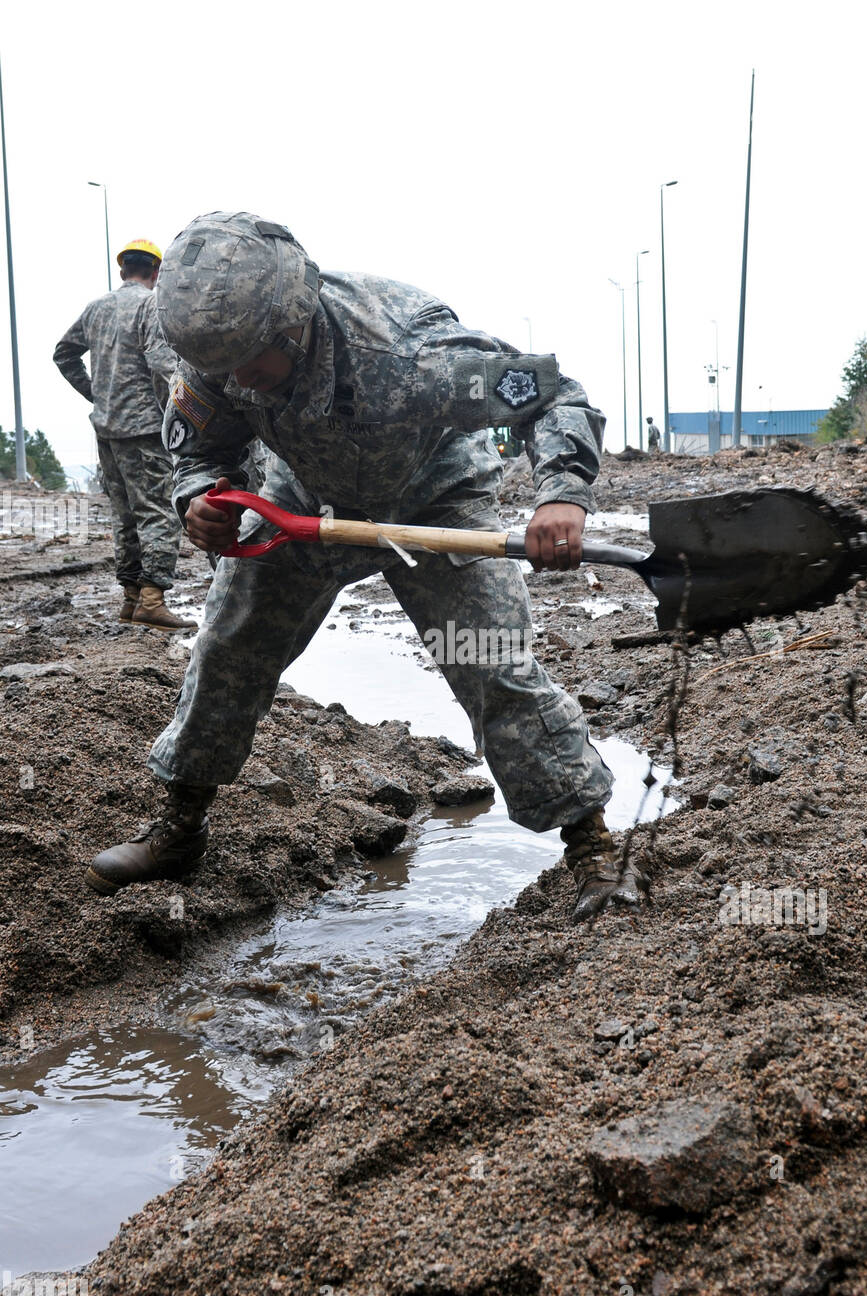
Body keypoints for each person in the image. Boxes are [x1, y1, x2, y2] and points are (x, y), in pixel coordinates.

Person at [86, 212, 634, 920]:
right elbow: (199, 447)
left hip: (435, 503)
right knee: (228, 646)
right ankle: (179, 826)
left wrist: (561, 496)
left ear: (294, 325)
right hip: (306, 503)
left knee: (491, 662)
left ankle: (590, 845)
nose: (237, 379)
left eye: (252, 361)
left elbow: (553, 396)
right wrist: (202, 498)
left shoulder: (415, 352)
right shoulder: (218, 355)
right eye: (222, 368)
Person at [54, 239, 195, 630]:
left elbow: (64, 353)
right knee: (158, 513)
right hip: (146, 428)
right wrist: (182, 412)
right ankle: (152, 599)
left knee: (125, 516)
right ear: (156, 272)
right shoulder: (151, 305)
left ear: (122, 271)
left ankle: (131, 599)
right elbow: (162, 361)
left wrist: (96, 394)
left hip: (107, 428)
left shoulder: (96, 307)